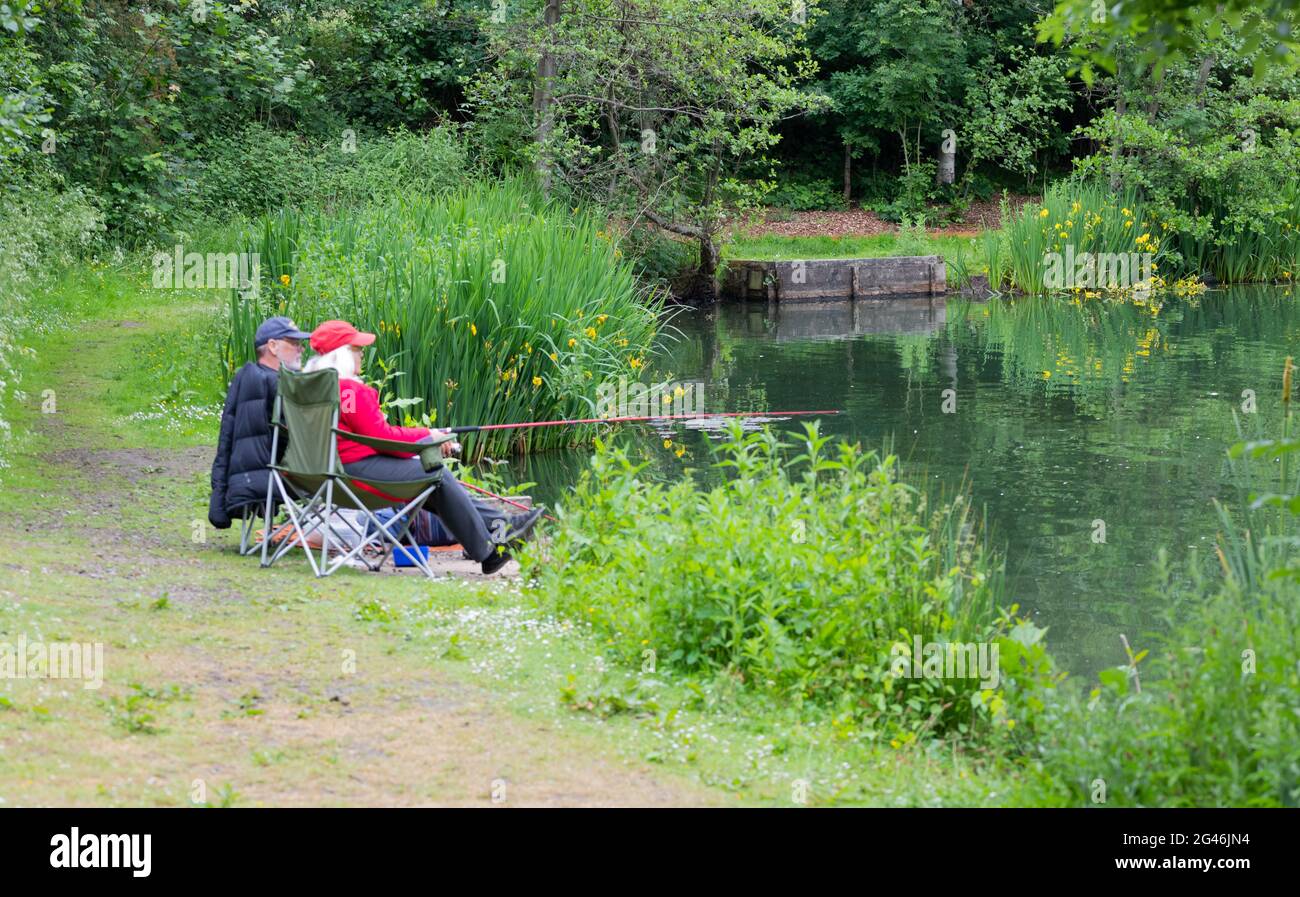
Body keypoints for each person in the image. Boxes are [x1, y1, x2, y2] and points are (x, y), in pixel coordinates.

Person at [304, 319, 543, 575]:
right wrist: (428, 438)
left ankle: (504, 529)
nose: (362, 353)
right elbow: (380, 436)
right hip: (353, 476)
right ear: (342, 354)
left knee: (432, 483)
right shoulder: (349, 391)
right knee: (435, 473)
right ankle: (487, 550)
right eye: (356, 349)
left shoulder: (308, 388)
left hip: (318, 477)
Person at [209, 316, 311, 530]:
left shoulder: (247, 378)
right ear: (272, 346)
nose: (301, 349)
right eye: (294, 343)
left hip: (251, 480)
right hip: (288, 477)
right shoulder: (276, 384)